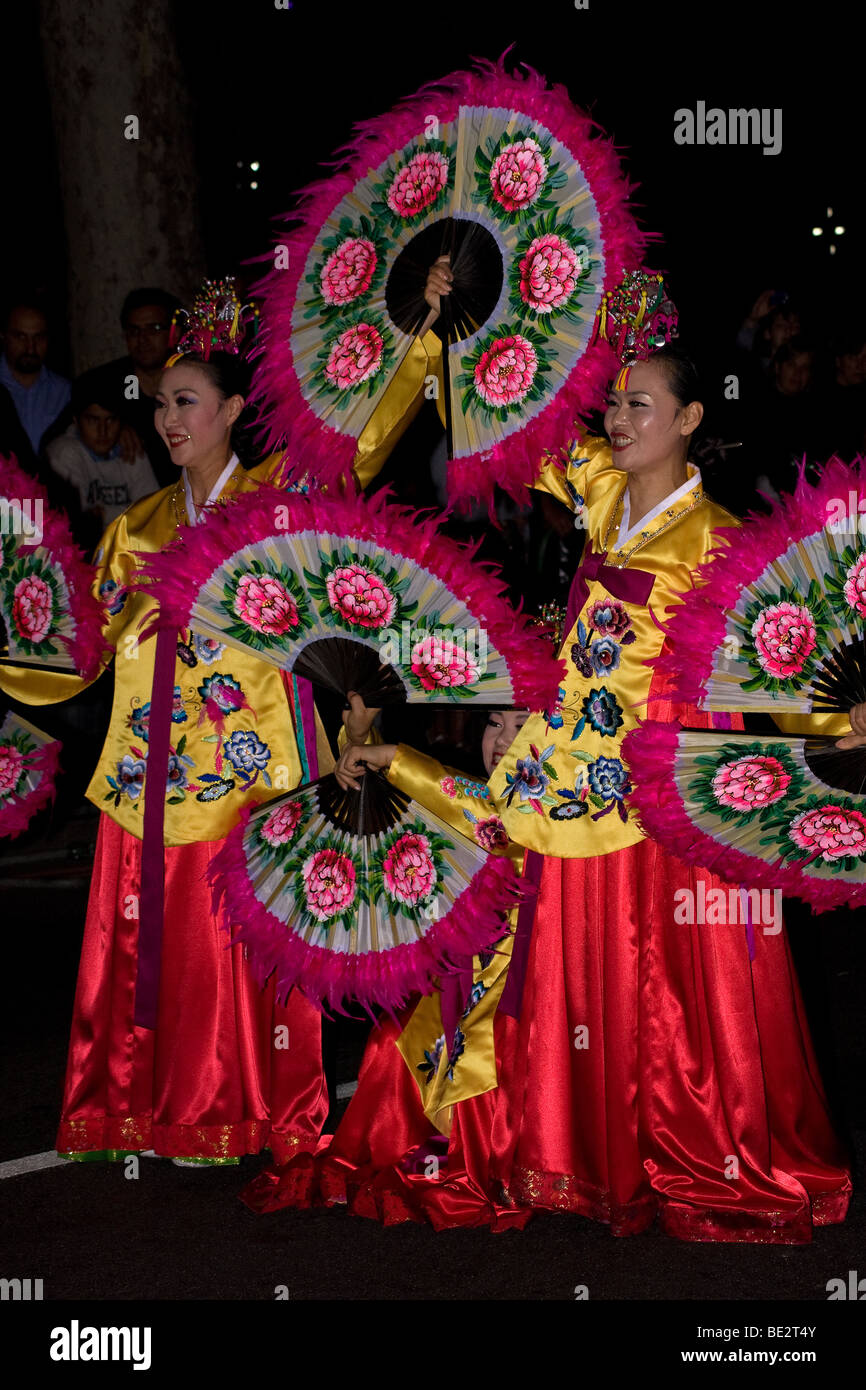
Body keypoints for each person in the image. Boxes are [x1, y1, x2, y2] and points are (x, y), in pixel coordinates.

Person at [265, 259, 853, 1241]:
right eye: (612, 401)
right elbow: (506, 426)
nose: (617, 419)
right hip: (555, 777)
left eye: (640, 403)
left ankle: (674, 1144)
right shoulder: (595, 491)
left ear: (692, 420)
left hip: (652, 799)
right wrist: (449, 328)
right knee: (543, 976)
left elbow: (785, 661)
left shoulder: (717, 541)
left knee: (661, 994)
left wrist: (840, 725)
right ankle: (561, 1146)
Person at [0, 344, 336, 1166]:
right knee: (163, 948)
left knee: (227, 942)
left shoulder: (280, 506)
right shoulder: (135, 530)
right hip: (148, 776)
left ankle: (238, 1108)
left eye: (187, 402)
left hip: (249, 775)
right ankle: (157, 1106)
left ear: (231, 412)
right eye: (160, 405)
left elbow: (355, 430)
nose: (167, 419)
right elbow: (84, 658)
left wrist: (419, 324)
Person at [242, 708, 531, 1223]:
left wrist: (394, 756)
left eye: (521, 724)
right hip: (463, 981)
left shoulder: (551, 809)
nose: (503, 739)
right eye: (493, 723)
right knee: (389, 1039)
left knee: (478, 1060)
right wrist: (361, 736)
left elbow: (477, 809)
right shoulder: (472, 796)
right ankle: (395, 1144)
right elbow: (428, 797)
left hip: (524, 988)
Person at [45, 368, 160, 552]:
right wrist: (132, 515)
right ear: (76, 420)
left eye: (111, 420)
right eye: (93, 420)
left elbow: (155, 514)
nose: (103, 431)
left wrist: (104, 513)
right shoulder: (63, 452)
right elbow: (80, 523)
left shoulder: (130, 448)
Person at [95, 288, 183, 488]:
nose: (142, 339)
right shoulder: (111, 381)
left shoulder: (194, 381)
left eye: (153, 329)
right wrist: (114, 427)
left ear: (174, 333)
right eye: (134, 331)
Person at [0, 299, 70, 453]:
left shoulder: (64, 393)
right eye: (20, 337)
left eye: (38, 337)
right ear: (3, 336)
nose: (30, 347)